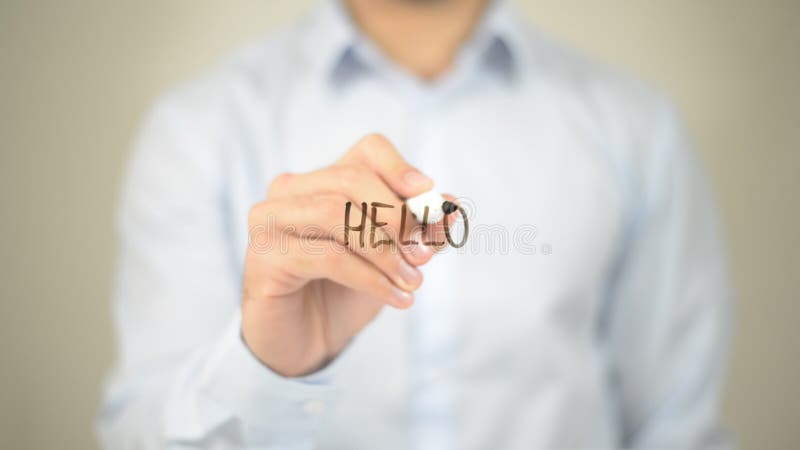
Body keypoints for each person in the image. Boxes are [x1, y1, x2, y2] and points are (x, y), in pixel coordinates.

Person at [98, 0, 732, 448]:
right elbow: (140, 436)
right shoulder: (197, 129)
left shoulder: (638, 132)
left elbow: (676, 429)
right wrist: (267, 368)